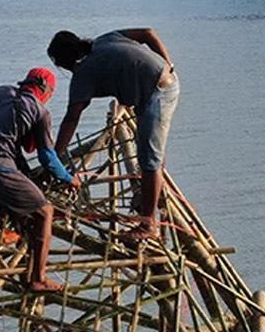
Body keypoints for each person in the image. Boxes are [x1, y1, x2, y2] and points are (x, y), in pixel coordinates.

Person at [47, 28, 179, 241]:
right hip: (163, 82)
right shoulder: (105, 40)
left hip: (157, 93)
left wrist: (54, 157)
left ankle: (148, 223)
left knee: (149, 160)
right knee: (152, 148)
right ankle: (152, 196)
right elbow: (148, 33)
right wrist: (167, 64)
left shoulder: (83, 72)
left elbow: (72, 118)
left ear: (62, 62)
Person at [0, 67, 80, 305]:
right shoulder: (40, 111)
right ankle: (38, 278)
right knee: (45, 212)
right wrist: (69, 178)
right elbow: (47, 157)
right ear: (46, 91)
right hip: (0, 170)